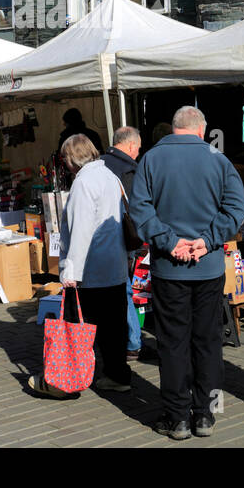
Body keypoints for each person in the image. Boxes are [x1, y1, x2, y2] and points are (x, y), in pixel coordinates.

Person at [128, 106, 244, 441]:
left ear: (175, 129)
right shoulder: (218, 159)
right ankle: (207, 414)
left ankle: (177, 416)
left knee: (172, 342)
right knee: (209, 341)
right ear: (200, 130)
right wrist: (206, 241)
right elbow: (236, 208)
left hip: (168, 269)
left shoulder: (150, 159)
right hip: (207, 268)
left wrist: (169, 242)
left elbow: (139, 209)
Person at [29, 133, 132, 398]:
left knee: (76, 329)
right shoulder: (110, 176)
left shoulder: (84, 183)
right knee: (114, 326)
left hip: (91, 270)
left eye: (64, 158)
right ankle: (117, 375)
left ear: (71, 159)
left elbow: (80, 230)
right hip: (115, 265)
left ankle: (66, 380)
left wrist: (70, 271)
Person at [101, 126, 144, 361]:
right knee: (124, 290)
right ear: (129, 146)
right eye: (137, 148)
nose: (138, 152)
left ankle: (123, 340)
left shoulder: (99, 164)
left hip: (100, 239)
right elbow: (135, 209)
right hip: (122, 239)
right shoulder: (129, 170)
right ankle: (133, 342)